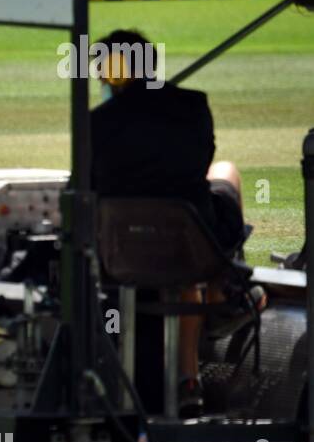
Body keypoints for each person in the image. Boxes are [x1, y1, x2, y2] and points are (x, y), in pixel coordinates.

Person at [89, 29, 257, 411]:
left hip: (120, 252)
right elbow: (200, 164)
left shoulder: (98, 122)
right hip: (192, 245)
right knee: (226, 173)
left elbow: (86, 184)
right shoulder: (194, 106)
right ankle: (223, 293)